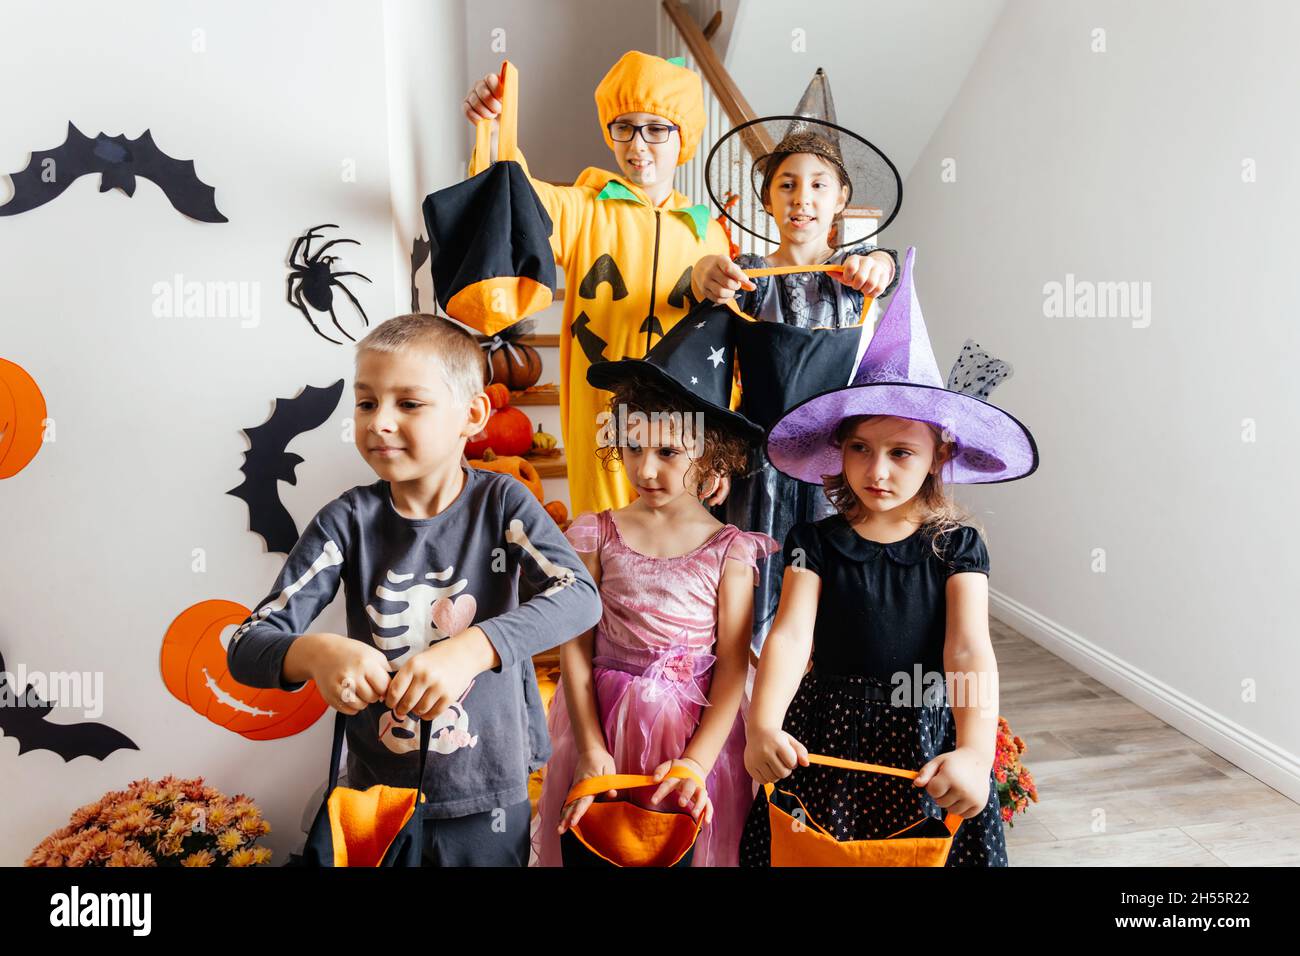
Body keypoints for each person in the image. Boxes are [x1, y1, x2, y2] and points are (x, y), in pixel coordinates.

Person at [226, 313, 602, 867]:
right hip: (379, 801)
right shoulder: (346, 522)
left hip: (488, 797)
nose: (379, 422)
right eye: (366, 403)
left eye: (409, 403)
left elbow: (578, 596)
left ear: (472, 416)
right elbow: (245, 644)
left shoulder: (504, 505)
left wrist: (473, 649)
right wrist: (315, 653)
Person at [738, 248, 1039, 866]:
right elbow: (791, 638)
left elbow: (967, 650)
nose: (877, 470)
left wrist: (977, 753)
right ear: (839, 449)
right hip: (827, 735)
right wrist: (762, 724)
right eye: (859, 447)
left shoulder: (956, 546)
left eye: (901, 452)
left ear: (938, 455)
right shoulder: (814, 543)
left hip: (922, 734)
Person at [532, 307, 777, 866]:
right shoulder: (596, 534)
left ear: (709, 452)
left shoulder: (730, 549)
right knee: (604, 844)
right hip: (604, 727)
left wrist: (696, 762)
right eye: (634, 448)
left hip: (693, 740)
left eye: (668, 453)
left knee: (681, 849)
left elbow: (733, 667)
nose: (646, 470)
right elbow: (576, 646)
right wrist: (591, 745)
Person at [463, 51, 732, 517]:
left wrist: (722, 446)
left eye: (656, 128)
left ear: (682, 136)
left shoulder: (707, 231)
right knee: (606, 532)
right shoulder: (585, 208)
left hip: (684, 413)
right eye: (623, 127)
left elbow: (726, 345)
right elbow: (514, 197)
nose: (637, 144)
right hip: (603, 407)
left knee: (681, 533)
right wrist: (493, 131)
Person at [691, 76, 903, 658]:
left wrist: (882, 262)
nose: (801, 198)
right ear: (768, 199)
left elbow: (888, 275)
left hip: (835, 469)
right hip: (756, 464)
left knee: (827, 600)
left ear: (840, 199)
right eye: (787, 184)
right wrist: (705, 270)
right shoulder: (747, 274)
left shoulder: (855, 280)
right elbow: (710, 351)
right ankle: (746, 716)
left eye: (817, 184)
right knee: (750, 593)